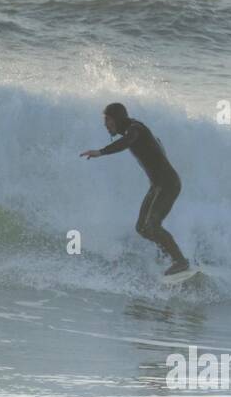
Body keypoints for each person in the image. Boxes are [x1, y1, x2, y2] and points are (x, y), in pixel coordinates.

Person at [80, 102, 190, 275]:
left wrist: (101, 152)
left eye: (108, 120)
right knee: (142, 228)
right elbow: (156, 144)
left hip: (168, 184)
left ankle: (180, 261)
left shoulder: (135, 129)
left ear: (117, 119)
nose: (105, 124)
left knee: (153, 224)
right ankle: (168, 256)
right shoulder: (137, 130)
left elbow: (128, 141)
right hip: (157, 186)